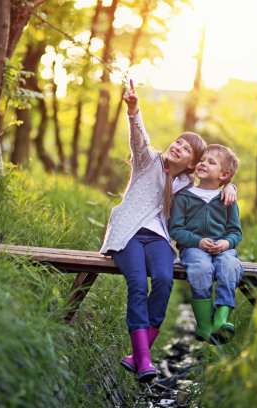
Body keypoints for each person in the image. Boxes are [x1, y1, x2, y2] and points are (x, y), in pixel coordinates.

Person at [100, 82, 237, 382]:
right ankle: (145, 360)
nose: (178, 147)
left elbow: (212, 186)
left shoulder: (187, 186)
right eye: (178, 142)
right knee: (138, 283)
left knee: (163, 280)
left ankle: (137, 355)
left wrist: (231, 186)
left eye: (187, 149)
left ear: (192, 163)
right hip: (130, 236)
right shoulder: (148, 161)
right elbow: (139, 138)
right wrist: (133, 109)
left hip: (160, 240)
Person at [168, 144, 243, 345]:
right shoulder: (184, 196)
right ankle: (203, 324)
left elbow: (236, 232)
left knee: (229, 265)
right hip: (193, 248)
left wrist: (227, 243)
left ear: (224, 175)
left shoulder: (227, 198)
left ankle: (221, 319)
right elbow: (175, 229)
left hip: (223, 250)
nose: (203, 163)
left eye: (211, 162)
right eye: (202, 159)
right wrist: (197, 241)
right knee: (202, 267)